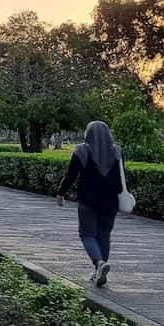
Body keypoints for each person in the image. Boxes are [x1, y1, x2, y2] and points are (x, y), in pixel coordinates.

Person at [56, 120, 124, 288]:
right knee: (104, 235)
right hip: (111, 202)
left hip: (88, 200)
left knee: (87, 234)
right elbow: (121, 178)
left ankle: (99, 264)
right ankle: (99, 270)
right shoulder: (117, 151)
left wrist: (60, 193)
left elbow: (70, 176)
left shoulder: (81, 151)